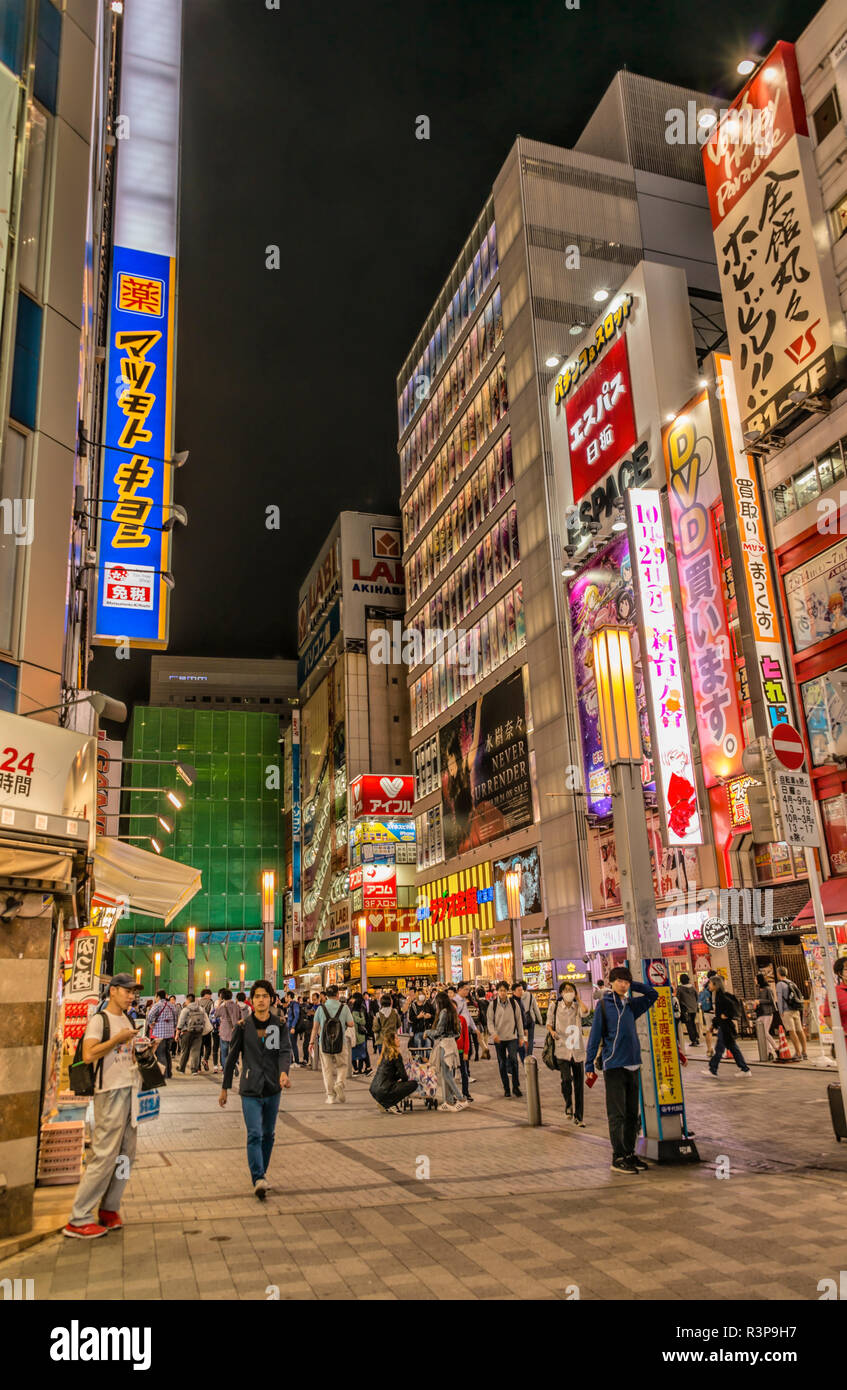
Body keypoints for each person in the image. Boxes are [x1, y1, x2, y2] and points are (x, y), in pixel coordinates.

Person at [63, 974, 142, 1238]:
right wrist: (116, 1040)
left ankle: (109, 1208)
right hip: (108, 1093)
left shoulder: (128, 1019)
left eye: (134, 992)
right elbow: (89, 1054)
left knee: (126, 1155)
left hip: (129, 1090)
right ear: (114, 991)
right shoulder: (100, 1020)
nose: (132, 996)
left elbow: (126, 1054)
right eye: (128, 991)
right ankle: (79, 1217)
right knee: (104, 1155)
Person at [219, 979, 291, 1199]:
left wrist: (283, 1072)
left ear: (271, 999)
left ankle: (262, 1174)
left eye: (265, 996)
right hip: (250, 1089)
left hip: (272, 1088)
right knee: (254, 1134)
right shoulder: (243, 1027)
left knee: (268, 1134)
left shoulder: (277, 1025)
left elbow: (283, 1052)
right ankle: (258, 1177)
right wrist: (224, 1087)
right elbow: (231, 1058)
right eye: (257, 996)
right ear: (252, 1000)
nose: (261, 1000)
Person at [584, 966, 659, 1176]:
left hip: (633, 1063)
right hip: (614, 1064)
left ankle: (629, 1153)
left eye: (626, 981)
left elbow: (652, 994)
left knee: (631, 1115)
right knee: (617, 1114)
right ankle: (617, 1157)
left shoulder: (631, 1005)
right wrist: (589, 1064)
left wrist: (632, 984)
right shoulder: (604, 1005)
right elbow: (595, 1036)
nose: (623, 984)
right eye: (619, 981)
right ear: (611, 982)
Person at [546, 980, 588, 1125]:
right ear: (561, 993)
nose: (568, 992)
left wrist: (578, 998)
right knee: (566, 1080)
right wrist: (551, 1032)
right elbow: (549, 1023)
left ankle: (579, 1116)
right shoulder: (555, 1006)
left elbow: (586, 1012)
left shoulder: (577, 1007)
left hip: (577, 1050)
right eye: (566, 990)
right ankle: (568, 1103)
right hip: (561, 1048)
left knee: (579, 1085)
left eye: (571, 990)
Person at [310, 984, 353, 1104]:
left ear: (326, 996)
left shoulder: (320, 1009)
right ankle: (339, 1083)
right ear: (338, 994)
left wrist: (311, 1042)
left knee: (327, 1070)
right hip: (340, 1042)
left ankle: (330, 1096)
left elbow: (315, 1028)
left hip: (324, 1043)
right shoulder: (344, 1008)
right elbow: (351, 1023)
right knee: (342, 1066)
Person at [426, 991, 466, 1111]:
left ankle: (461, 1099)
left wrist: (427, 1032)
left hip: (445, 1045)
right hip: (452, 1044)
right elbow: (458, 1032)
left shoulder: (444, 1012)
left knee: (447, 1075)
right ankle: (448, 1102)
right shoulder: (453, 1011)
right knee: (446, 1074)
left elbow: (438, 1032)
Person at [707, 975, 752, 1078]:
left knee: (720, 1049)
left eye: (710, 983)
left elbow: (728, 1010)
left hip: (725, 1027)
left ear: (715, 984)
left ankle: (713, 1069)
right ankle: (744, 1069)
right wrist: (714, 1024)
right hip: (724, 1027)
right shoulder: (719, 995)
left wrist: (726, 1015)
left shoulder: (721, 996)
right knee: (731, 1048)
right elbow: (719, 1014)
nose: (708, 985)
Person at [487, 980, 525, 1099]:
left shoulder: (513, 1003)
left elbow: (519, 1020)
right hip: (499, 1038)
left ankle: (515, 1086)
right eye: (500, 990)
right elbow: (490, 1022)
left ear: (507, 991)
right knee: (502, 1063)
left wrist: (521, 1036)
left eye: (504, 990)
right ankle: (506, 1088)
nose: (502, 993)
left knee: (514, 1061)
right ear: (497, 992)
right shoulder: (492, 1005)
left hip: (512, 1037)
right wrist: (494, 1034)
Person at [369, 1032, 418, 1113]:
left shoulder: (384, 1054)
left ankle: (383, 1103)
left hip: (374, 1090)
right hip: (384, 1090)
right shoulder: (396, 1055)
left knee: (393, 1085)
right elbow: (404, 1076)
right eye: (396, 1038)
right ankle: (391, 1104)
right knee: (413, 1084)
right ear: (392, 1041)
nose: (399, 1040)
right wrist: (401, 1082)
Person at [775, 968, 808, 1060]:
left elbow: (780, 999)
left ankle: (798, 1053)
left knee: (792, 1031)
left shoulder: (780, 984)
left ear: (778, 974)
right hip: (796, 1009)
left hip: (787, 1011)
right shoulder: (792, 983)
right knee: (800, 1031)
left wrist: (780, 1012)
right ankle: (804, 1052)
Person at [145, 989, 178, 1078]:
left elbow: (150, 1016)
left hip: (160, 1033)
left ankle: (163, 1074)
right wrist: (174, 1028)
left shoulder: (157, 1005)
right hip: (170, 1033)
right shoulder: (172, 1005)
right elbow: (176, 1018)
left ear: (158, 996)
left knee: (160, 1053)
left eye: (155, 997)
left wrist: (151, 1023)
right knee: (167, 1053)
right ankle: (169, 1073)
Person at [174, 993, 206, 1075]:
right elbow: (204, 1020)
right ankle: (194, 1070)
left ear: (187, 1000)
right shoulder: (201, 1009)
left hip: (187, 1032)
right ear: (194, 1000)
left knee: (185, 1051)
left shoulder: (185, 1009)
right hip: (198, 1032)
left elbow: (180, 1023)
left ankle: (181, 1069)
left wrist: (177, 1034)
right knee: (196, 1051)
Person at [755, 971, 782, 1059]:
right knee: (762, 1033)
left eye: (755, 979)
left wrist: (760, 1001)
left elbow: (771, 1001)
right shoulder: (759, 989)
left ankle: (776, 1048)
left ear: (759, 980)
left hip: (768, 1013)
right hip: (761, 1013)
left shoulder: (768, 989)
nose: (754, 980)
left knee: (765, 1032)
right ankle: (769, 1052)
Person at [513, 981, 542, 1061]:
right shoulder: (531, 996)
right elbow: (536, 1009)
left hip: (520, 1022)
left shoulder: (516, 997)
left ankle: (523, 1057)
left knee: (520, 1039)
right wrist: (540, 1020)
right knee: (530, 1039)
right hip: (530, 1020)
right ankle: (529, 1057)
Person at [216, 988, 242, 1076]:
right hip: (234, 1031)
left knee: (224, 1053)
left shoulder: (222, 1007)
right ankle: (236, 1063)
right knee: (234, 1051)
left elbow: (215, 1014)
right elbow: (240, 1017)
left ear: (222, 997)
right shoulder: (237, 1006)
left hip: (224, 1031)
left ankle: (226, 1070)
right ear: (231, 996)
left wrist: (219, 1003)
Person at [349, 992, 372, 1075]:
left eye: (353, 998)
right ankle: (362, 1068)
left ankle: (363, 1068)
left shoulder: (359, 1008)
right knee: (362, 1050)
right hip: (362, 1032)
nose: (352, 1000)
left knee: (362, 1051)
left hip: (360, 1032)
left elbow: (362, 1021)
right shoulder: (361, 1007)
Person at [676, 973, 700, 1047]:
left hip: (686, 1010)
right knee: (693, 1023)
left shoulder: (680, 989)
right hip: (694, 1008)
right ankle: (696, 1038)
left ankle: (693, 1040)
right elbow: (697, 996)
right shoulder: (692, 988)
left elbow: (678, 999)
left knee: (689, 1025)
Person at [698, 974, 716, 1057]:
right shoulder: (714, 988)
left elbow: (699, 1001)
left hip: (706, 1012)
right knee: (722, 1031)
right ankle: (726, 1050)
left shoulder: (703, 990)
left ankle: (709, 1050)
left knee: (709, 1031)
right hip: (714, 1013)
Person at [199, 988, 215, 1071]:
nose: (210, 996)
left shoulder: (196, 1003)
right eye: (210, 995)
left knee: (199, 1047)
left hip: (197, 1029)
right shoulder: (210, 1002)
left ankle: (198, 1067)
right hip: (206, 1029)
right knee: (208, 1046)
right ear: (207, 995)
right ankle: (205, 1059)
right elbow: (212, 1016)